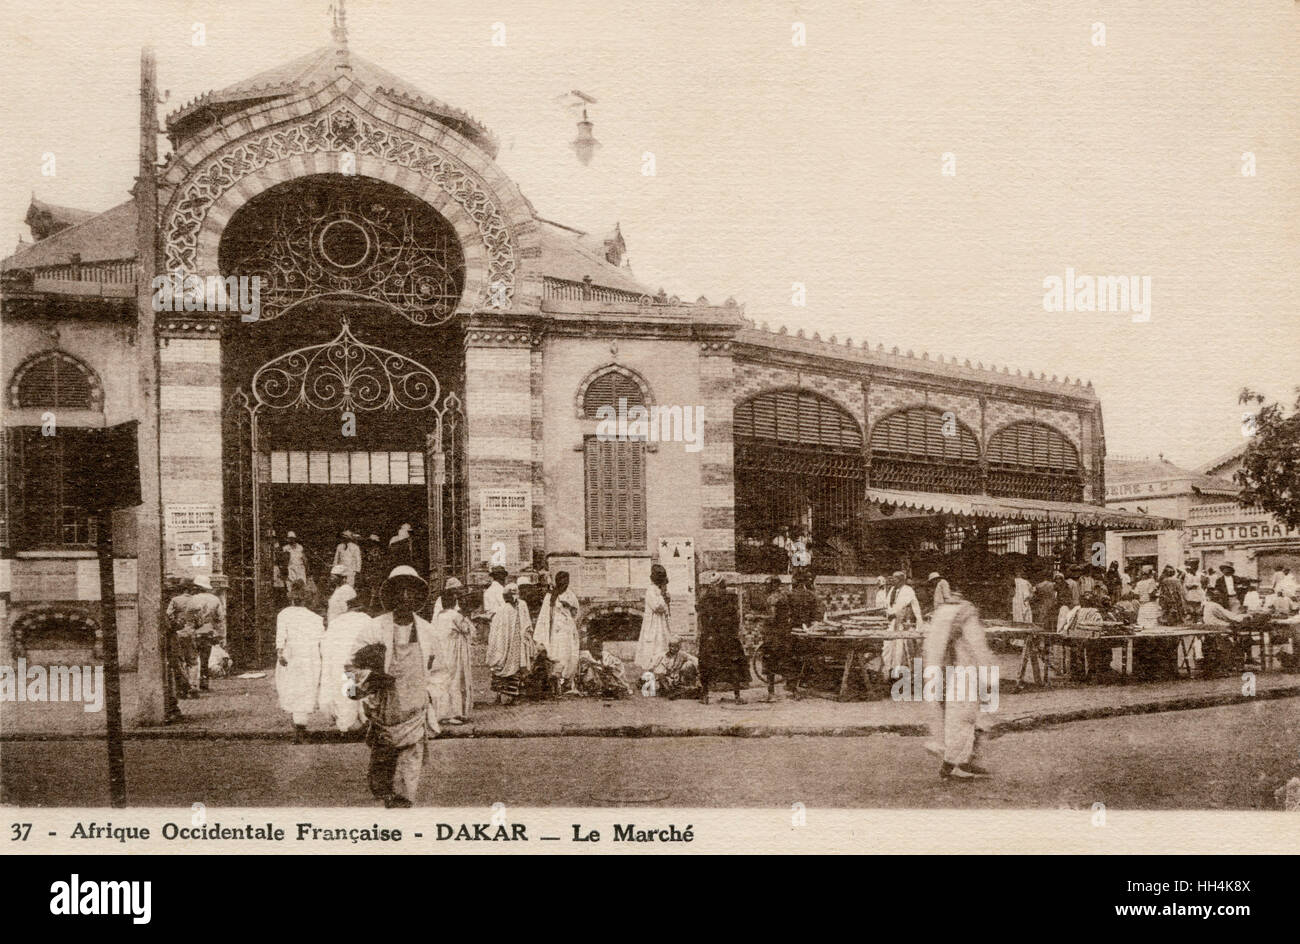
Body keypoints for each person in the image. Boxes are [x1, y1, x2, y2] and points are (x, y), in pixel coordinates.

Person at [347, 565, 438, 808]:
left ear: (418, 597)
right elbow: (350, 667)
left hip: (415, 714)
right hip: (385, 713)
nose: (405, 597)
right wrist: (372, 678)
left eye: (411, 592)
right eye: (400, 591)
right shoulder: (374, 628)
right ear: (391, 595)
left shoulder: (428, 631)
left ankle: (404, 804)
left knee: (408, 776)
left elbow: (438, 670)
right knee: (385, 771)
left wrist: (430, 696)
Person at [923, 589, 995, 780]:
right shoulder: (966, 613)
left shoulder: (941, 612)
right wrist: (989, 675)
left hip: (940, 671)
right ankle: (953, 765)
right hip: (963, 672)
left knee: (960, 719)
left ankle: (961, 761)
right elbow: (977, 646)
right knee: (966, 719)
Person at [276, 579, 324, 743]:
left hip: (292, 654)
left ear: (292, 598)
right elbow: (321, 640)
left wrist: (280, 652)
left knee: (292, 688)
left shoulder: (284, 614)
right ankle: (301, 726)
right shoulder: (316, 618)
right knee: (306, 688)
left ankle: (298, 727)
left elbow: (281, 636)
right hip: (310, 656)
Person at [319, 585, 370, 734]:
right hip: (359, 664)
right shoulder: (367, 620)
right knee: (361, 692)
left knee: (346, 693)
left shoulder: (336, 623)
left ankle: (346, 725)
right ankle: (363, 721)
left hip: (341, 664)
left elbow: (325, 646)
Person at [695, 571, 749, 704]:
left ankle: (705, 695)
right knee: (733, 664)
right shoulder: (730, 598)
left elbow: (701, 617)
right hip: (727, 636)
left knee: (707, 664)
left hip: (711, 637)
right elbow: (735, 617)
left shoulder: (705, 598)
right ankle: (737, 697)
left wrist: (703, 633)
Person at [430, 584, 475, 725]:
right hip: (454, 652)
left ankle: (442, 713)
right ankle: (455, 712)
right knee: (456, 680)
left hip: (442, 652)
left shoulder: (439, 616)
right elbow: (468, 630)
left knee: (443, 680)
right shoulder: (456, 616)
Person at [485, 582, 536, 704]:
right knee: (502, 667)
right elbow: (497, 631)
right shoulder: (503, 610)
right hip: (505, 645)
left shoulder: (522, 605)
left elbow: (527, 623)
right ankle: (500, 696)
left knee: (517, 668)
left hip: (517, 643)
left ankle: (514, 696)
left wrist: (526, 636)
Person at [534, 570, 580, 694]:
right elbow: (544, 616)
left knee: (569, 654)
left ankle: (567, 681)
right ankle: (557, 682)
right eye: (562, 581)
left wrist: (569, 607)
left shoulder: (571, 595)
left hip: (568, 630)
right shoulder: (550, 596)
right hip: (555, 631)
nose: (564, 584)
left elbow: (576, 613)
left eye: (566, 582)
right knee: (557, 654)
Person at [189, 574, 225, 693]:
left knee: (192, 660)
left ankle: (192, 684)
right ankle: (204, 684)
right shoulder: (215, 599)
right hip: (208, 632)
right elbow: (220, 618)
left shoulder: (192, 599)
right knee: (205, 659)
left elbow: (188, 616)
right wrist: (220, 634)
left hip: (194, 632)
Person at [882, 570, 922, 674]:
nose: (892, 580)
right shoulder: (892, 589)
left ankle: (897, 670)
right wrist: (888, 613)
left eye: (894, 578)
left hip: (902, 621)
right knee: (888, 646)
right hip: (891, 621)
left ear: (900, 580)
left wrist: (895, 614)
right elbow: (887, 604)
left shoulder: (908, 590)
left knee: (899, 647)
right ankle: (888, 667)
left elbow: (908, 606)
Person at [635, 563, 673, 670]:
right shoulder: (651, 590)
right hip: (653, 623)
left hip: (660, 622)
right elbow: (657, 606)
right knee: (653, 644)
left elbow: (665, 609)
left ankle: (661, 666)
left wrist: (665, 598)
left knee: (662, 642)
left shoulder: (659, 590)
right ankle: (652, 667)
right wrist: (664, 599)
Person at [165, 580, 197, 700]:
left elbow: (168, 615)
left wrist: (176, 623)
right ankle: (193, 685)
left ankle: (183, 686)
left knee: (179, 661)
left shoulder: (175, 600)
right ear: (190, 589)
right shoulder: (195, 601)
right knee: (193, 661)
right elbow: (199, 620)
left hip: (177, 634)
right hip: (190, 633)